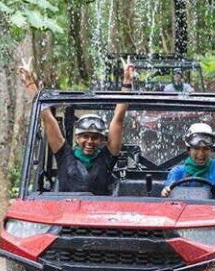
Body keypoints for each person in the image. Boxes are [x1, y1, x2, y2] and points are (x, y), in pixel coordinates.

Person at [19, 58, 135, 195]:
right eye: (85, 136)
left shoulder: (106, 158)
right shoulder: (65, 155)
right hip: (67, 212)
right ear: (77, 138)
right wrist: (29, 83)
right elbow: (47, 118)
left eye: (95, 137)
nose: (90, 141)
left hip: (99, 212)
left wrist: (127, 82)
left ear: (102, 140)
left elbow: (118, 120)